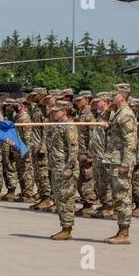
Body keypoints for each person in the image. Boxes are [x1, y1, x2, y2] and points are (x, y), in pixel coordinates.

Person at [104, 83, 138, 244]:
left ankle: (124, 232)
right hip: (115, 160)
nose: (112, 95)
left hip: (121, 161)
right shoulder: (117, 112)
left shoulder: (125, 114)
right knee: (118, 196)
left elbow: (130, 141)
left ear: (123, 95)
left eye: (115, 93)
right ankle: (121, 230)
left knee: (123, 196)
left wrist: (126, 163)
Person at [47, 101, 79, 240]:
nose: (53, 113)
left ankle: (67, 229)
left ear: (64, 111)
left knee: (66, 198)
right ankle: (64, 226)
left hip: (64, 168)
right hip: (57, 166)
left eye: (56, 111)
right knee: (60, 198)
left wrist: (69, 168)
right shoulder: (58, 126)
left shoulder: (69, 126)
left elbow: (73, 149)